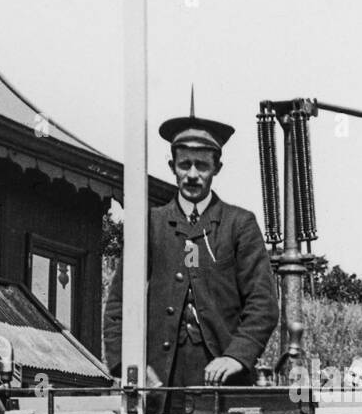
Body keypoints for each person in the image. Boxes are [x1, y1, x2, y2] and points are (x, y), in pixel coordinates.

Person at [103, 104, 278, 396]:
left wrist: (236, 356)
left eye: (202, 165)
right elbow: (119, 306)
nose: (193, 175)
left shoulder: (240, 225)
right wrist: (129, 365)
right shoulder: (150, 225)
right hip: (158, 385)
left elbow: (262, 304)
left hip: (222, 385)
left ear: (217, 168)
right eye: (185, 165)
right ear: (172, 166)